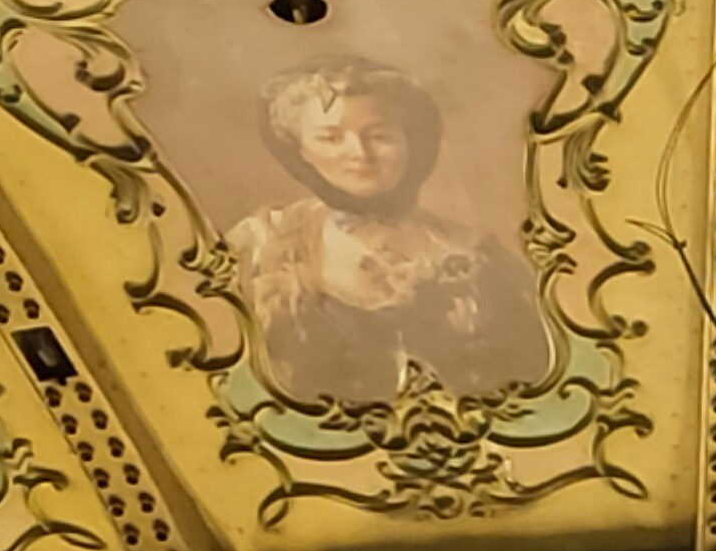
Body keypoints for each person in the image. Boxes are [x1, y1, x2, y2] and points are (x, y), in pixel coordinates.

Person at [220, 47, 549, 397]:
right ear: (299, 151)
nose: (359, 154)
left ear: (413, 143)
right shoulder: (268, 249)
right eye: (330, 138)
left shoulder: (477, 257)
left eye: (380, 135)